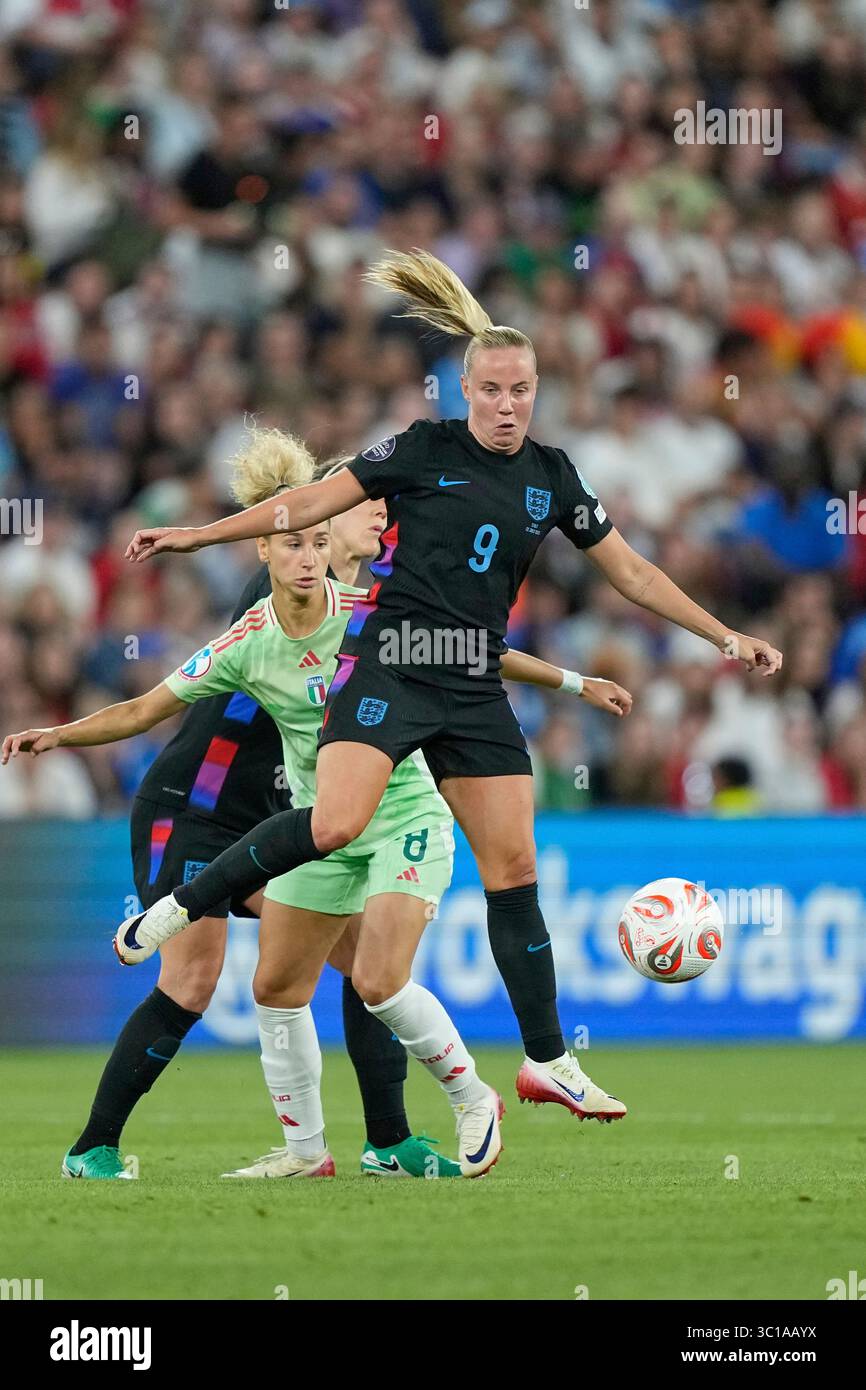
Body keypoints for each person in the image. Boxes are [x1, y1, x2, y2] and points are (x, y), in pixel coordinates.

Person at [120, 249, 782, 1127]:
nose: (508, 406)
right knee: (334, 824)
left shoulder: (554, 478)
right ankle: (181, 905)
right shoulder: (422, 449)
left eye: (522, 391)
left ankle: (548, 1061)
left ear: (537, 391)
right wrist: (199, 535)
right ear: (466, 390)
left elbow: (633, 574)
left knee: (515, 870)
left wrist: (725, 635)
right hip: (391, 668)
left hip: (472, 685)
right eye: (492, 390)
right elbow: (305, 505)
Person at [4, 425, 630, 1176]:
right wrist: (61, 734)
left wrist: (573, 682)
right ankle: (101, 1145)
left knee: (365, 970)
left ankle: (398, 1133)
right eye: (365, 509)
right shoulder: (260, 623)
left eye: (328, 535)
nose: (382, 515)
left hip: (318, 818)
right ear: (286, 540)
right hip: (205, 805)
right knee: (208, 979)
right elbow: (146, 707)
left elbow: (472, 652)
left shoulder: (376, 614)